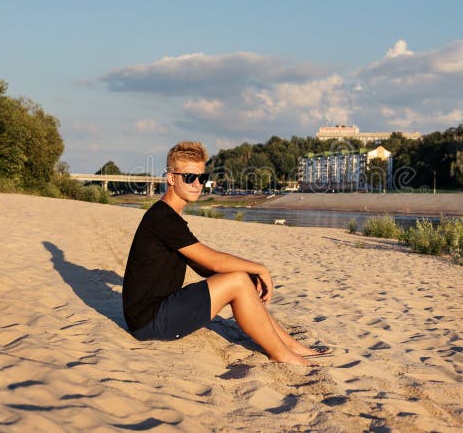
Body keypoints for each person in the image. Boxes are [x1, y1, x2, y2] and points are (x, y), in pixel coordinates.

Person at [122, 141, 324, 366]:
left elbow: (204, 267)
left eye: (202, 177)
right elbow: (214, 262)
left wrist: (248, 275)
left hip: (157, 312)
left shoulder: (168, 217)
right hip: (150, 321)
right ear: (171, 178)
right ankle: (282, 353)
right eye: (189, 177)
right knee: (238, 279)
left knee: (240, 278)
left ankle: (291, 346)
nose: (197, 184)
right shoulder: (162, 218)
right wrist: (259, 268)